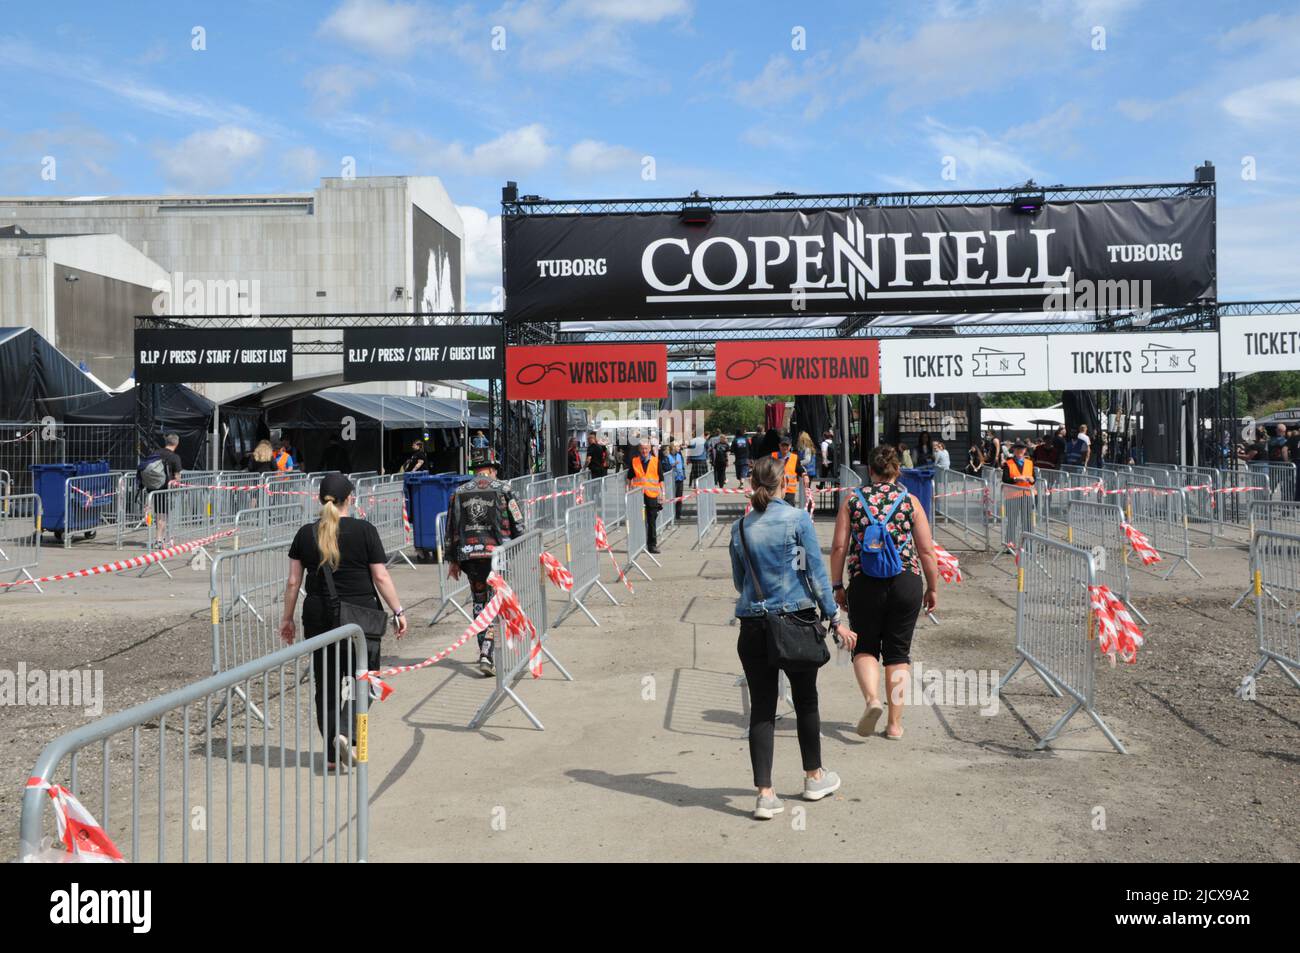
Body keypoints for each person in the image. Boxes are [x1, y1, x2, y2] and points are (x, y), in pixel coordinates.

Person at [730, 455, 854, 820]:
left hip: (753, 625)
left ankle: (765, 795)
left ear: (753, 485)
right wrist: (835, 619)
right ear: (784, 483)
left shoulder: (740, 528)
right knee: (806, 701)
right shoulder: (798, 519)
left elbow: (740, 582)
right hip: (795, 620)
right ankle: (814, 776)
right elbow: (815, 574)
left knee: (762, 709)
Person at [280, 473, 408, 771]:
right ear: (350, 498)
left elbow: (292, 582)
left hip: (318, 616)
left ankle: (330, 755)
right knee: (368, 678)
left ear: (320, 499)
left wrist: (287, 619)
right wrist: (399, 611)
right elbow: (380, 576)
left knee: (326, 684)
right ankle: (347, 729)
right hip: (359, 617)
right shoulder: (364, 530)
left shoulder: (305, 533)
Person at [830, 445, 939, 742]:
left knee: (864, 647)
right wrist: (932, 587)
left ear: (870, 469)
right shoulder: (910, 501)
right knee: (898, 654)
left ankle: (872, 701)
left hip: (864, 581)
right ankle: (894, 724)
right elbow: (927, 550)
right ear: (897, 470)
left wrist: (837, 585)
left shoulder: (853, 500)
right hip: (906, 581)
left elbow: (839, 546)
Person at [446, 449, 525, 676]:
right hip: (498, 556)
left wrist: (452, 560)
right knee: (495, 605)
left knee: (480, 603)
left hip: (470, 557)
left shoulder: (459, 492)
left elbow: (451, 527)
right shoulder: (504, 489)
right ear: (492, 469)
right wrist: (519, 547)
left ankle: (484, 650)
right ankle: (487, 654)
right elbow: (518, 522)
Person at [138, 433, 183, 544]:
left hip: (152, 488)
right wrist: (179, 485)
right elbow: (177, 476)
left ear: (166, 442)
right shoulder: (175, 457)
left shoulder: (155, 453)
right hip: (165, 489)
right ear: (176, 444)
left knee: (160, 514)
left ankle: (161, 538)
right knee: (162, 516)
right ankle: (158, 540)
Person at [627, 438, 664, 555]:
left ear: (650, 449)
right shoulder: (634, 461)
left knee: (651, 521)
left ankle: (652, 545)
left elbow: (661, 479)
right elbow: (629, 478)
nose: (644, 451)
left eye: (646, 449)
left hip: (652, 495)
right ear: (639, 449)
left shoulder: (656, 461)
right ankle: (638, 543)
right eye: (642, 449)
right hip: (638, 495)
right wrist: (628, 493)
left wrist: (663, 494)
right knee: (638, 520)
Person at [772, 434, 808, 507]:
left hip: (789, 491)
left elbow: (799, 469)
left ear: (790, 446)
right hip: (776, 490)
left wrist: (805, 475)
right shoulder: (773, 456)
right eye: (783, 445)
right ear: (779, 445)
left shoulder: (794, 457)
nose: (785, 447)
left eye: (787, 445)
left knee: (789, 512)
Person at [664, 440, 687, 519]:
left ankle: (678, 514)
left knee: (679, 497)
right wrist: (673, 465)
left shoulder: (679, 455)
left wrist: (684, 474)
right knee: (671, 497)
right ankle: (670, 514)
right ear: (673, 447)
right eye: (677, 446)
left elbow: (682, 465)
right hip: (671, 479)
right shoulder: (667, 456)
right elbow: (665, 467)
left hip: (680, 478)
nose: (679, 447)